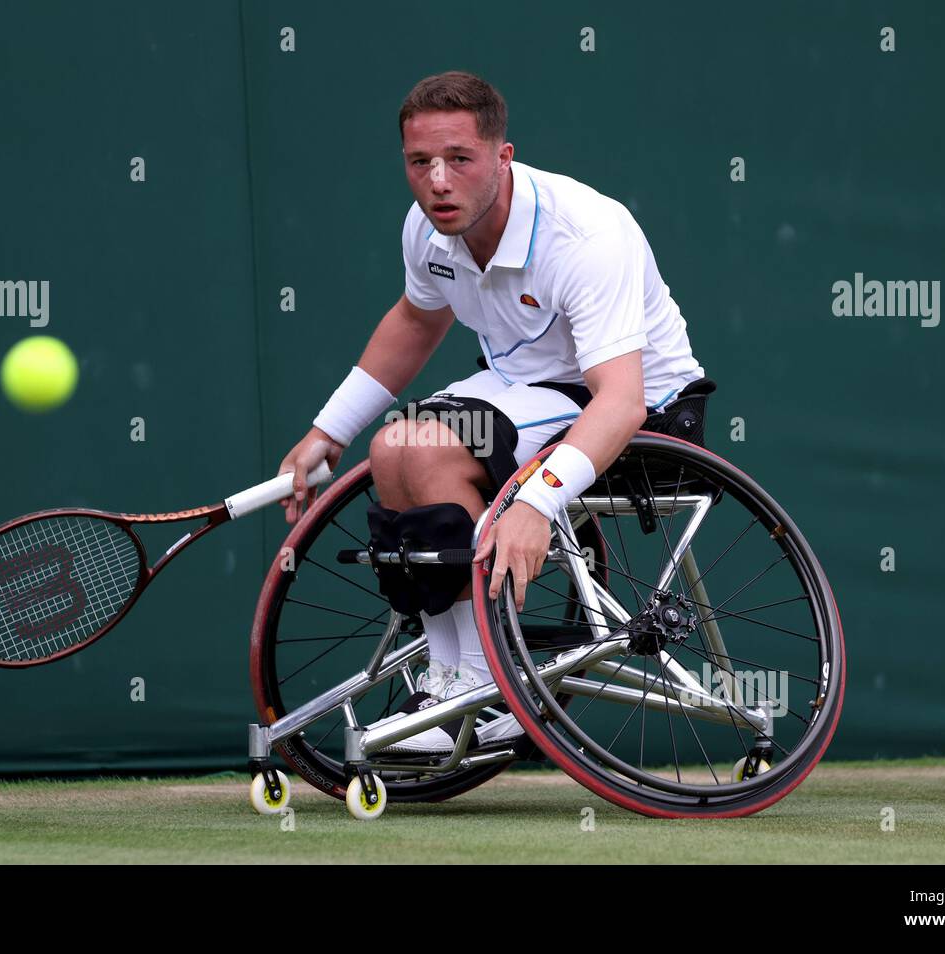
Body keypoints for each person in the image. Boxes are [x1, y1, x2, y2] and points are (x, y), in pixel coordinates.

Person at [278, 70, 711, 753]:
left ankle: (488, 689)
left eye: (459, 160)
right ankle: (454, 682)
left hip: (641, 407)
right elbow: (416, 324)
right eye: (420, 163)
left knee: (426, 447)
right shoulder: (428, 230)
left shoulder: (585, 235)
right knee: (394, 445)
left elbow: (620, 400)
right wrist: (328, 431)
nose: (438, 182)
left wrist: (536, 504)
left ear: (503, 157)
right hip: (525, 387)